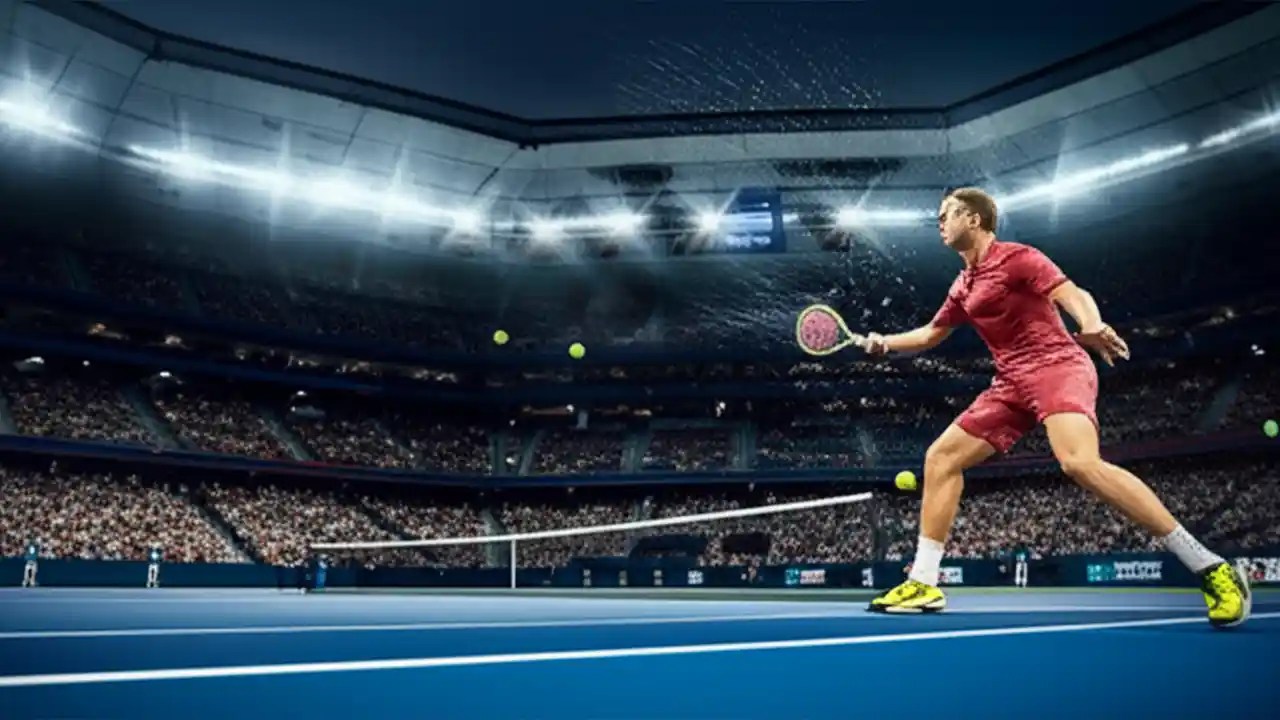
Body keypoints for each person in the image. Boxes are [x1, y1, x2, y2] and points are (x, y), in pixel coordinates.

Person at [862, 188, 1250, 627]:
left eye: (946, 214)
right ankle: (925, 583)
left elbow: (1071, 292)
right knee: (941, 457)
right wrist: (883, 343)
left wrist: (1092, 323)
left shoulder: (1018, 258)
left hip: (1057, 367)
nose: (939, 222)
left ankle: (1211, 567)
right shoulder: (963, 284)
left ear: (974, 219)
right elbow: (932, 334)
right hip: (1009, 383)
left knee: (1079, 463)